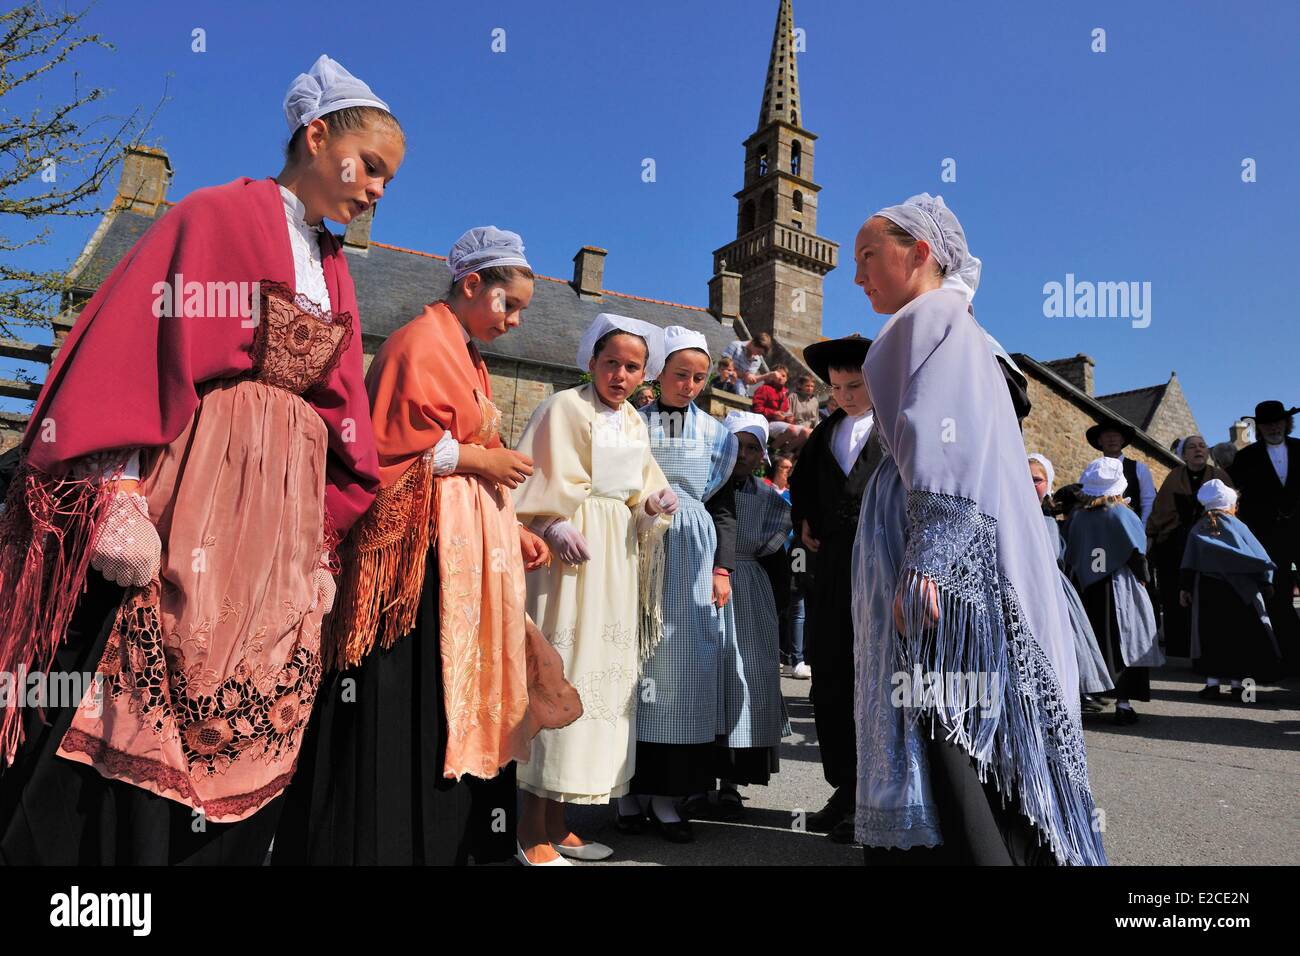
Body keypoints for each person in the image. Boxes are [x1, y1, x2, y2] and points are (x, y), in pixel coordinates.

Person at [0, 55, 398, 864]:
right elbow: (132, 348)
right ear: (317, 137)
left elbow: (343, 411)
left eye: (390, 177)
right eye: (372, 166)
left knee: (248, 695)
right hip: (200, 489)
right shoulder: (216, 215)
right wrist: (116, 493)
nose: (379, 189)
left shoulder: (334, 268)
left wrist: (320, 542)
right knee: (148, 675)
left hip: (279, 526)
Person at [272, 226, 577, 865]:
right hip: (425, 556)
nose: (516, 321)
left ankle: (449, 839)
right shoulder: (419, 343)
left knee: (453, 694)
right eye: (509, 305)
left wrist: (512, 529)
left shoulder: (468, 356)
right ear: (472, 286)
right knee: (413, 694)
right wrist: (476, 458)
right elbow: (382, 448)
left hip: (464, 550)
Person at [850, 193, 1105, 866]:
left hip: (946, 562)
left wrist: (931, 558)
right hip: (935, 548)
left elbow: (945, 444)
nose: (858, 276)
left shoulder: (935, 319)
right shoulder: (948, 325)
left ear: (921, 253)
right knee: (945, 712)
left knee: (947, 716)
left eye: (869, 257)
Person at [510, 313, 676, 865]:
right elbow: (530, 482)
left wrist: (653, 505)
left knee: (600, 682)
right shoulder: (562, 408)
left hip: (616, 563)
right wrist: (550, 523)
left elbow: (640, 492)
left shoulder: (634, 423)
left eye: (633, 367)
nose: (621, 375)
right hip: (566, 564)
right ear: (591, 362)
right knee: (563, 671)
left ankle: (560, 821)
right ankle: (529, 828)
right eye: (612, 363)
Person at [624, 326, 739, 844]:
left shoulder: (718, 436)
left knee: (682, 672)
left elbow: (724, 507)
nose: (690, 385)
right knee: (631, 663)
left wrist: (722, 567)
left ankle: (668, 794)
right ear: (660, 373)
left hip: (692, 559)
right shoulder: (631, 423)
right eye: (680, 375)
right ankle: (625, 788)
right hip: (639, 548)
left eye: (698, 377)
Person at [788, 333, 879, 844]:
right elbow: (803, 487)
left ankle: (876, 793)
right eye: (838, 386)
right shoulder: (826, 433)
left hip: (879, 571)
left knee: (874, 678)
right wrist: (803, 519)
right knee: (830, 676)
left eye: (856, 385)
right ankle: (844, 787)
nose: (845, 395)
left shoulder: (897, 428)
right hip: (831, 574)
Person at [700, 411, 792, 819]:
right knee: (706, 679)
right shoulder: (704, 487)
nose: (745, 453)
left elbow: (779, 563)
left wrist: (778, 609)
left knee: (744, 681)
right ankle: (696, 778)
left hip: (750, 595)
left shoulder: (771, 500)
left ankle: (733, 782)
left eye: (754, 446)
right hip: (705, 586)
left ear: (763, 455)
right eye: (738, 443)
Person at [1064, 458, 1166, 726]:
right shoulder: (1122, 514)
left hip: (1088, 590)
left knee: (1095, 640)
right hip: (1120, 588)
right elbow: (1135, 552)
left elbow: (1073, 552)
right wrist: (1145, 580)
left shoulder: (1079, 517)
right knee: (1124, 642)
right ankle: (1123, 703)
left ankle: (1089, 692)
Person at [1179, 480, 1280, 700]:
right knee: (1240, 637)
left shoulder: (1199, 527)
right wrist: (1266, 581)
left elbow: (1189, 561)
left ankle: (1212, 684)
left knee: (1211, 637)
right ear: (1230, 504)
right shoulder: (1238, 526)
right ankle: (1240, 687)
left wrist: (1185, 588)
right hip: (1239, 592)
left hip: (1208, 591)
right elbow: (1258, 556)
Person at [1029, 454, 1113, 709]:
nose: (1030, 483)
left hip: (1052, 586)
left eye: (1037, 479)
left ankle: (1073, 691)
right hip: (1024, 586)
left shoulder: (1048, 517)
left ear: (1049, 483)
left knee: (1066, 640)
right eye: (1026, 477)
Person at [1228, 401, 1300, 675]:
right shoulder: (1247, 457)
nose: (1273, 427)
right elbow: (1234, 496)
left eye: (1277, 422)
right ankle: (1291, 657)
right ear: (1260, 428)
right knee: (1278, 597)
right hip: (1268, 539)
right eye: (1267, 424)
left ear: (1286, 423)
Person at [1147, 435, 1234, 658]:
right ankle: (1180, 646)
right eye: (1192, 447)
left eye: (1202, 446)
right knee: (1176, 593)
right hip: (1175, 544)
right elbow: (1160, 513)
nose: (1198, 450)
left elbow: (1232, 509)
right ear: (1184, 454)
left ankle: (1209, 647)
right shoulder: (1174, 477)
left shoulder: (1219, 476)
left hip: (1211, 544)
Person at [1081, 417, 1156, 526]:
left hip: (1129, 529)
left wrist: (1142, 530)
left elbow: (1149, 502)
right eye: (1107, 435)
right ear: (1100, 441)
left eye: (1115, 435)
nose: (1112, 439)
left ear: (1122, 440)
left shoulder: (1139, 469)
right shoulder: (1093, 470)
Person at [722, 332, 773, 397]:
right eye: (759, 351)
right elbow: (723, 366)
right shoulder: (735, 345)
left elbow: (747, 381)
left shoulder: (757, 360)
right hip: (724, 386)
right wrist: (744, 375)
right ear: (753, 343)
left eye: (761, 354)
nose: (759, 355)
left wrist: (750, 378)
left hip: (741, 393)